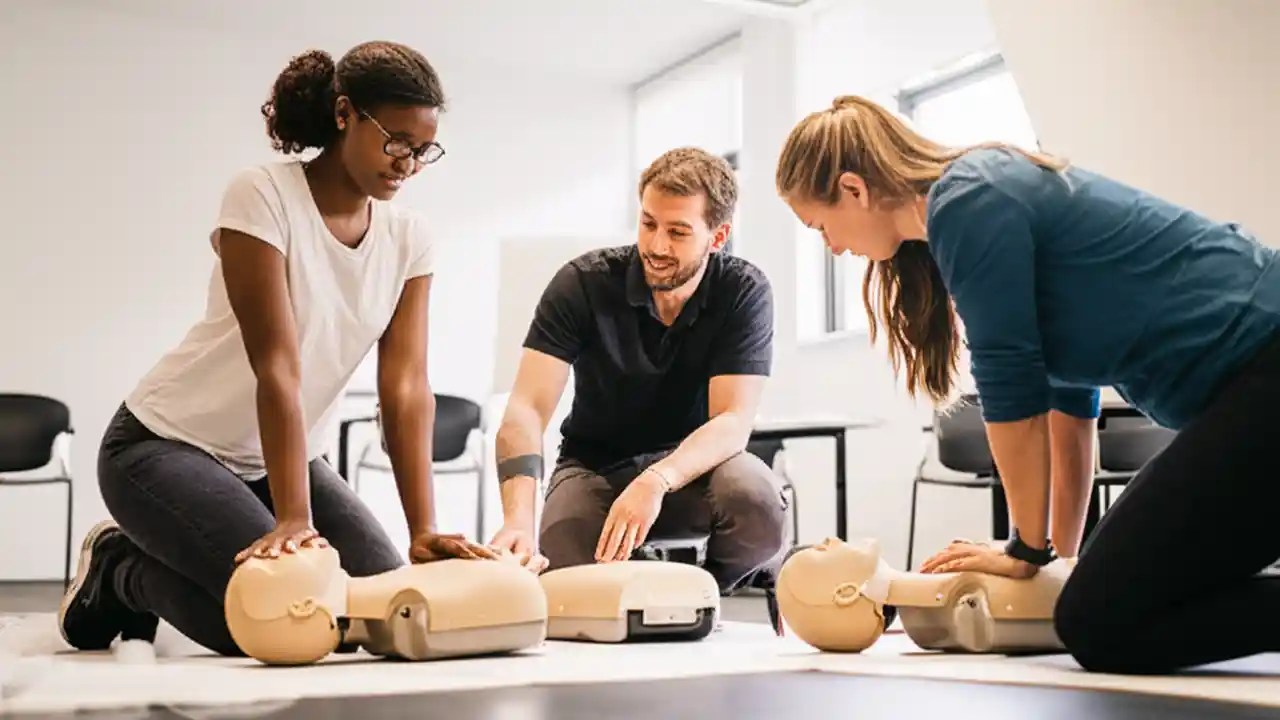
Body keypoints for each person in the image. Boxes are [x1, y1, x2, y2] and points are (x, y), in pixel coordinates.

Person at [774, 95, 1280, 674]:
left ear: (854, 190)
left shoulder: (969, 198)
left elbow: (1012, 389)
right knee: (1096, 604)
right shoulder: (968, 211)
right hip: (1254, 389)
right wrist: (1051, 556)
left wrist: (1024, 548)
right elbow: (1070, 409)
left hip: (1268, 367)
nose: (834, 247)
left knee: (1100, 622)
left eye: (820, 227)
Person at [57, 41, 501, 658]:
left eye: (423, 149)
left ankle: (155, 557)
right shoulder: (262, 196)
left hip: (275, 461)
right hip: (162, 444)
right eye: (395, 141)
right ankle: (121, 570)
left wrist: (422, 529)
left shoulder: (409, 238)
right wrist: (295, 519)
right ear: (344, 114)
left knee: (374, 611)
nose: (408, 164)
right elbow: (278, 365)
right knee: (278, 624)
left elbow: (405, 387)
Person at [487, 147, 788, 593]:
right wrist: (517, 519)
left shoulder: (743, 290)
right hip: (596, 468)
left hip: (696, 471)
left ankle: (701, 595)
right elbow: (527, 408)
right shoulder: (582, 283)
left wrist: (657, 479)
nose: (656, 246)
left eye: (678, 232)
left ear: (718, 236)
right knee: (565, 570)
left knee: (758, 505)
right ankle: (628, 581)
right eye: (648, 223)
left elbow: (733, 420)